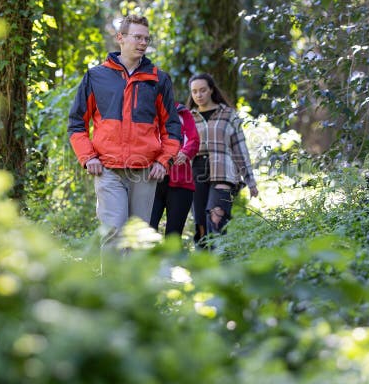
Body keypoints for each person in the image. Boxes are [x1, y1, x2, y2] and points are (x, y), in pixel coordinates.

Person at [68, 14, 182, 239]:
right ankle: (111, 276)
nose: (142, 43)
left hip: (145, 171)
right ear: (120, 37)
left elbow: (172, 127)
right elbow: (77, 123)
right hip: (108, 169)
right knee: (113, 232)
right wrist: (88, 157)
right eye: (137, 37)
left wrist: (164, 160)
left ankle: (134, 276)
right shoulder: (96, 76)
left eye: (146, 39)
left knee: (137, 238)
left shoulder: (159, 79)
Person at [187, 73, 259, 246]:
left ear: (211, 90)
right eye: (194, 91)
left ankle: (220, 259)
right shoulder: (188, 117)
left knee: (217, 217)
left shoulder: (228, 115)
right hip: (195, 171)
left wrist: (250, 181)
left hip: (223, 170)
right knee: (201, 225)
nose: (199, 95)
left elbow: (240, 148)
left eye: (203, 90)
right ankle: (202, 265)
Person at [150, 102, 200, 237]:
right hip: (152, 180)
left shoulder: (182, 113)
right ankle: (147, 259)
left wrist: (185, 152)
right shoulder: (145, 112)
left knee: (173, 237)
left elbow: (194, 140)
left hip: (181, 182)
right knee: (147, 232)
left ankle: (172, 259)